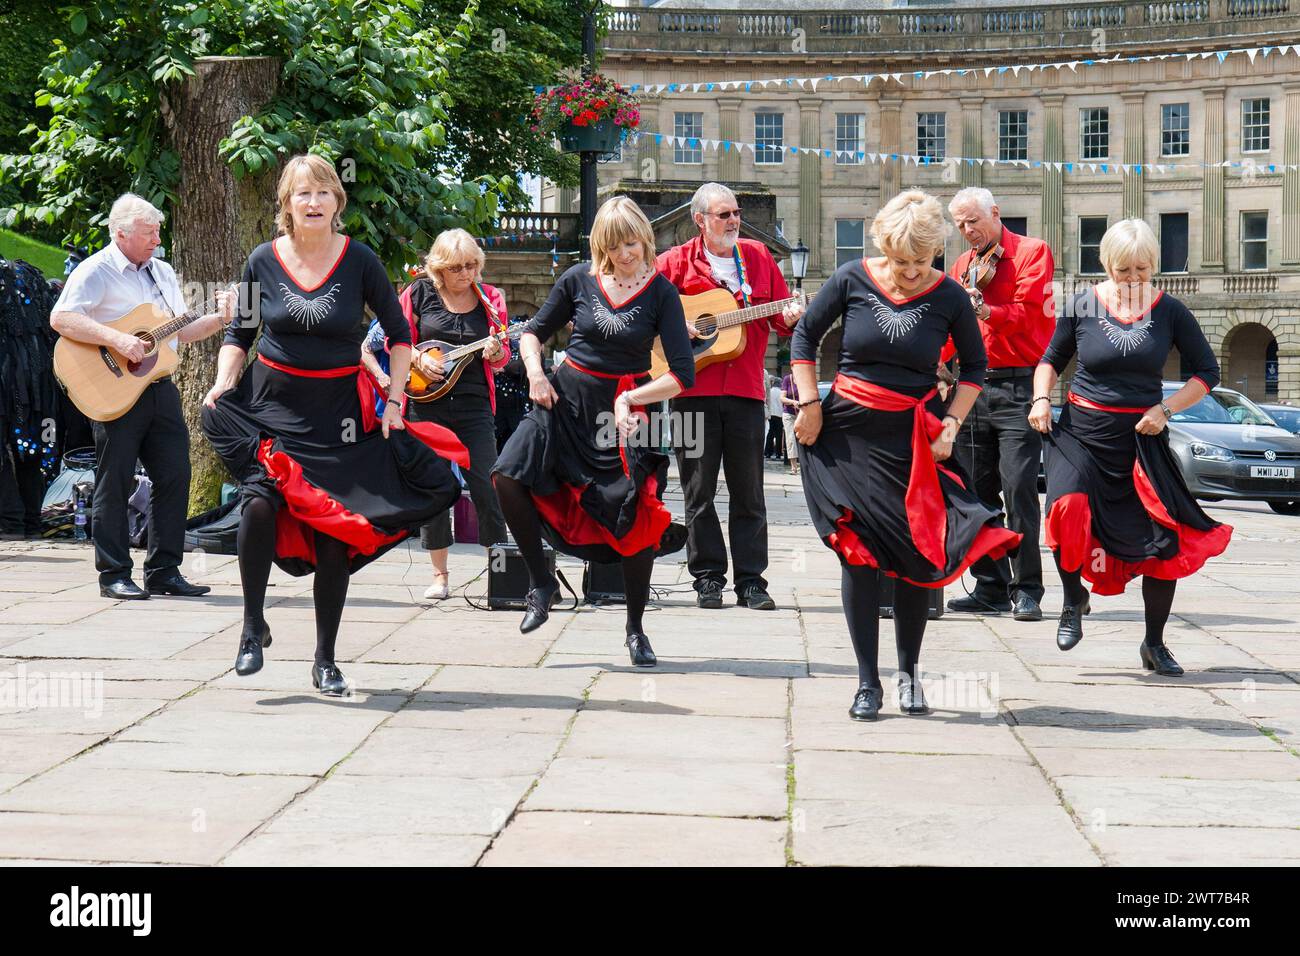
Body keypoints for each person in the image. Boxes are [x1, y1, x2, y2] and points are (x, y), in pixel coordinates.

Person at [201, 155, 467, 696]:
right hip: (270, 406)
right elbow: (239, 332)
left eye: (323, 191)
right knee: (257, 503)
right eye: (303, 193)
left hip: (339, 417)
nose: (314, 201)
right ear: (288, 204)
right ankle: (253, 626)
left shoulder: (359, 261)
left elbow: (398, 336)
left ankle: (325, 659)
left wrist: (395, 400)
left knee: (332, 535)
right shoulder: (261, 260)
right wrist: (224, 381)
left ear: (336, 202)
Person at [791, 190, 1022, 721]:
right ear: (884, 248)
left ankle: (909, 676)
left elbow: (975, 369)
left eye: (922, 261)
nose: (912, 271)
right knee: (859, 554)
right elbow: (804, 337)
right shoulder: (851, 278)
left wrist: (952, 426)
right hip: (845, 433)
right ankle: (867, 683)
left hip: (913, 440)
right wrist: (809, 403)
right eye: (901, 262)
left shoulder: (949, 297)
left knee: (917, 555)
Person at [492, 196, 695, 666]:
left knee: (635, 515)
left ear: (645, 240)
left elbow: (682, 373)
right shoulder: (577, 280)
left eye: (633, 244)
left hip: (623, 410)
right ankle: (540, 582)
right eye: (616, 246)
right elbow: (530, 332)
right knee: (506, 475)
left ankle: (636, 629)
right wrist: (536, 372)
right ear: (601, 245)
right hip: (562, 401)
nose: (627, 254)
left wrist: (630, 398)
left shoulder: (661, 293)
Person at [1032, 219, 1233, 675]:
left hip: (1142, 438)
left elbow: (1207, 372)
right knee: (1066, 508)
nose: (1133, 279)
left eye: (1142, 269)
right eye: (1124, 269)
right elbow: (1050, 362)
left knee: (1164, 539)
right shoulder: (1082, 304)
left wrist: (1166, 410)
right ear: (1107, 264)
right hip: (1081, 431)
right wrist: (1042, 398)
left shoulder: (1171, 311)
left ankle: (1154, 644)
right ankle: (1072, 600)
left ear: (1154, 266)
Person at [50, 194, 230, 599]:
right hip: (113, 388)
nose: (156, 239)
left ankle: (164, 571)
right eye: (149, 232)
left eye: (158, 231)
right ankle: (113, 573)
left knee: (176, 475)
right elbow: (61, 317)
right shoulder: (95, 270)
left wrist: (220, 318)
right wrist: (117, 338)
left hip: (160, 388)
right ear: (121, 233)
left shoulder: (162, 271)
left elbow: (180, 330)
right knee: (114, 480)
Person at [657, 182, 803, 610]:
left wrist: (792, 316)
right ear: (699, 220)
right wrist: (674, 329)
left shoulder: (756, 258)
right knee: (697, 490)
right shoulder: (673, 262)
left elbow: (781, 321)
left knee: (748, 490)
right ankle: (707, 577)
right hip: (689, 390)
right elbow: (644, 311)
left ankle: (752, 581)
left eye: (736, 212)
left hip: (744, 391)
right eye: (724, 214)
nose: (734, 221)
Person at [376, 228, 511, 601]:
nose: (465, 274)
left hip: (474, 406)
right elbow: (393, 337)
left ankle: (498, 574)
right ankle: (439, 575)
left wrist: (496, 352)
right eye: (456, 268)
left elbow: (504, 357)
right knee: (435, 487)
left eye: (471, 266)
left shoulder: (491, 299)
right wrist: (417, 356)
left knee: (488, 485)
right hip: (425, 403)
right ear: (439, 267)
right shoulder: (418, 293)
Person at [943, 187, 1056, 622]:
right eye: (961, 226)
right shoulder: (962, 266)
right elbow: (952, 329)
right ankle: (990, 585)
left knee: (1020, 489)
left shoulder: (1032, 252)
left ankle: (1027, 587)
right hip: (972, 387)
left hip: (1020, 385)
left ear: (995, 212)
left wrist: (986, 312)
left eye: (974, 221)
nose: (968, 232)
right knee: (975, 491)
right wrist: (933, 362)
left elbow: (1030, 316)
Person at [780, 370, 800, 476]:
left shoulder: (804, 379)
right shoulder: (788, 379)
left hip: (802, 413)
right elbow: (782, 398)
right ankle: (794, 467)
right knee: (791, 439)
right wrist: (793, 402)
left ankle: (806, 465)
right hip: (788, 414)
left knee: (802, 439)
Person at [764, 374, 785, 460]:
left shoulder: (770, 391)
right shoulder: (781, 392)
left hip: (771, 414)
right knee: (779, 435)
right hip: (779, 415)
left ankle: (767, 453)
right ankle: (778, 454)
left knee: (770, 434)